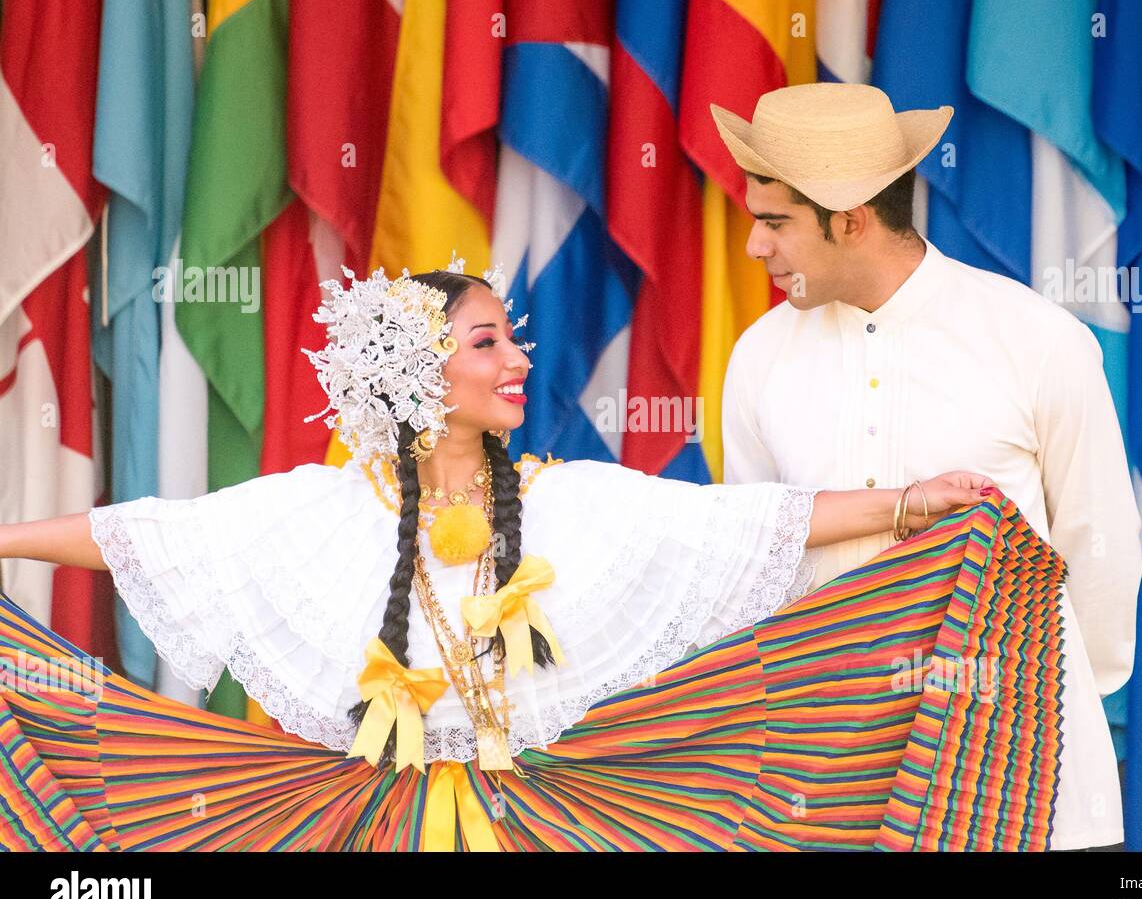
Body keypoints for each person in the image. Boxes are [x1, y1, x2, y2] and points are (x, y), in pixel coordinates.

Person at [0, 262, 1066, 851]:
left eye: (511, 336)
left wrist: (907, 504)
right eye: (486, 342)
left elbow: (747, 523)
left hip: (547, 820)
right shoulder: (322, 509)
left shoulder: (567, 501)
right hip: (364, 824)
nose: (518, 356)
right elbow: (138, 533)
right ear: (419, 373)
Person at [714, 82, 1142, 851]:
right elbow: (756, 569)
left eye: (774, 222)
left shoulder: (1035, 338)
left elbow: (1100, 542)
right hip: (829, 788)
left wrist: (1058, 701)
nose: (755, 246)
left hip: (1027, 779)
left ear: (850, 221)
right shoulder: (759, 359)